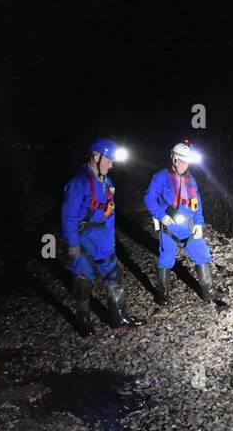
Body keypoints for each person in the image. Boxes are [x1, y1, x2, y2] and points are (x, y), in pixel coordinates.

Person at [61, 138, 143, 334]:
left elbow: (110, 212)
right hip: (84, 238)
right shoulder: (78, 183)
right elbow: (68, 216)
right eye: (109, 160)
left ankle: (119, 318)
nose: (112, 165)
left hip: (103, 238)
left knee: (115, 275)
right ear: (96, 157)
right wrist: (72, 244)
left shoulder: (107, 182)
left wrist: (110, 238)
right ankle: (84, 322)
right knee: (83, 281)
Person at [144, 141, 219, 306]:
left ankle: (209, 291)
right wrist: (161, 215)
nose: (185, 165)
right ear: (174, 159)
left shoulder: (190, 179)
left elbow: (196, 203)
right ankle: (163, 294)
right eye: (182, 161)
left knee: (202, 255)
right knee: (166, 259)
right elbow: (148, 198)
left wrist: (199, 223)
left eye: (187, 162)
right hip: (169, 226)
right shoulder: (161, 177)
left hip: (188, 225)